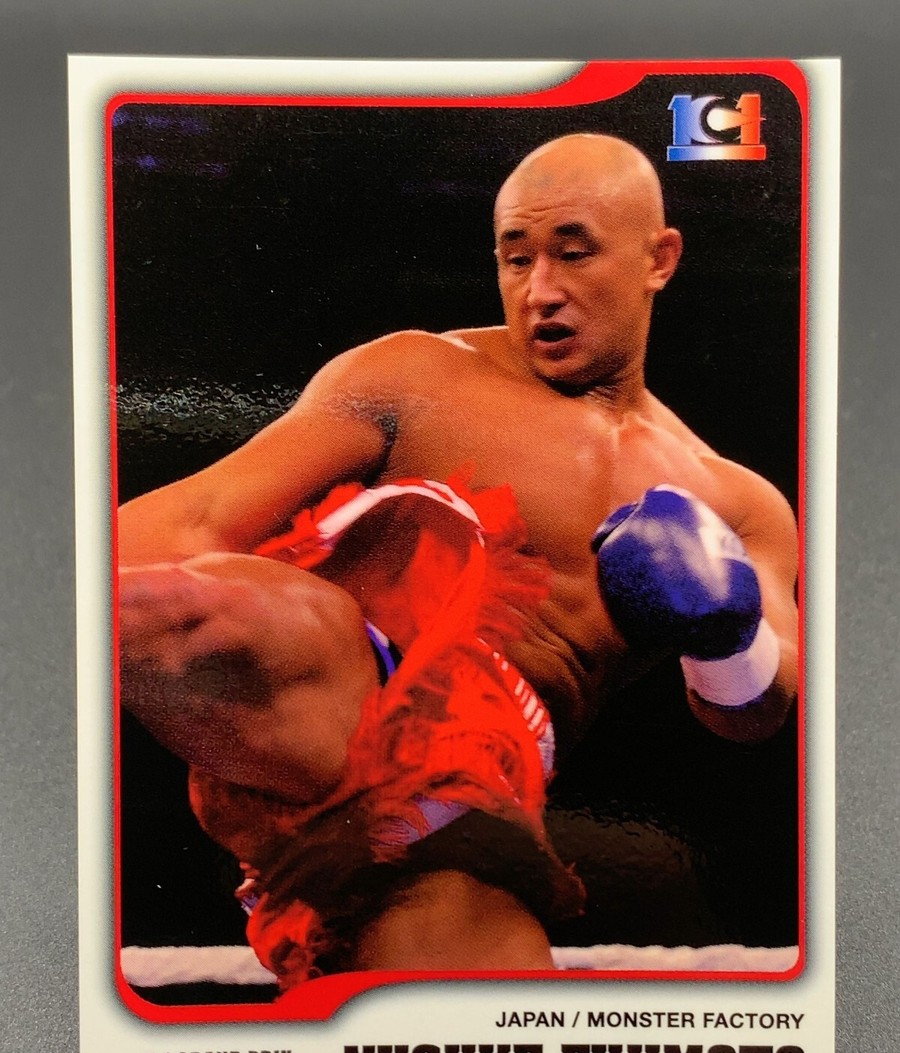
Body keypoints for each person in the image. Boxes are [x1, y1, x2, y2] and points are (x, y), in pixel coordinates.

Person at [118, 133, 798, 986]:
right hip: (339, 678)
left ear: (659, 259)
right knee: (191, 610)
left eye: (573, 253)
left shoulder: (736, 500)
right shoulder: (419, 375)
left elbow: (760, 711)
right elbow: (198, 516)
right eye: (516, 258)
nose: (539, 290)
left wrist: (725, 629)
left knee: (479, 1030)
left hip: (468, 802)